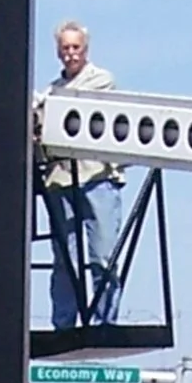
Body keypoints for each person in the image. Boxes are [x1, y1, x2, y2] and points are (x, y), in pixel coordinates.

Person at [40, 21, 125, 330]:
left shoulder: (101, 81)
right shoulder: (52, 89)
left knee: (103, 257)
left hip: (97, 178)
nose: (70, 53)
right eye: (65, 48)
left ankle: (105, 321)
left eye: (75, 47)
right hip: (61, 182)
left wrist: (45, 107)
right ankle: (63, 323)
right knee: (65, 261)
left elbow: (75, 108)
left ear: (85, 49)